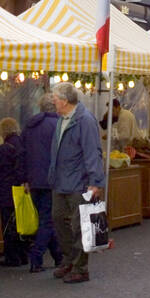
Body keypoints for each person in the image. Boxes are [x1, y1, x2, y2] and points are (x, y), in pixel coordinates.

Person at [47, 82, 106, 284]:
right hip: (61, 181)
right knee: (58, 219)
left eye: (55, 98)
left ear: (64, 101)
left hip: (79, 182)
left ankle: (81, 267)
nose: (53, 101)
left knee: (80, 225)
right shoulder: (61, 119)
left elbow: (93, 152)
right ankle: (69, 259)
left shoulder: (85, 120)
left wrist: (95, 182)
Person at [21, 94, 63, 272]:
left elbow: (21, 153)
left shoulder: (29, 126)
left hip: (33, 180)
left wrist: (24, 178)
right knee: (47, 221)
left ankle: (59, 257)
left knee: (45, 219)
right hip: (51, 179)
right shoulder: (58, 126)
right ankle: (36, 258)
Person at [0, 117, 28, 267]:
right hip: (23, 190)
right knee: (22, 223)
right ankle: (24, 255)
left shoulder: (2, 149)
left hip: (7, 192)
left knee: (8, 225)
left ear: (2, 131)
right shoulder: (24, 144)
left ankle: (12, 257)